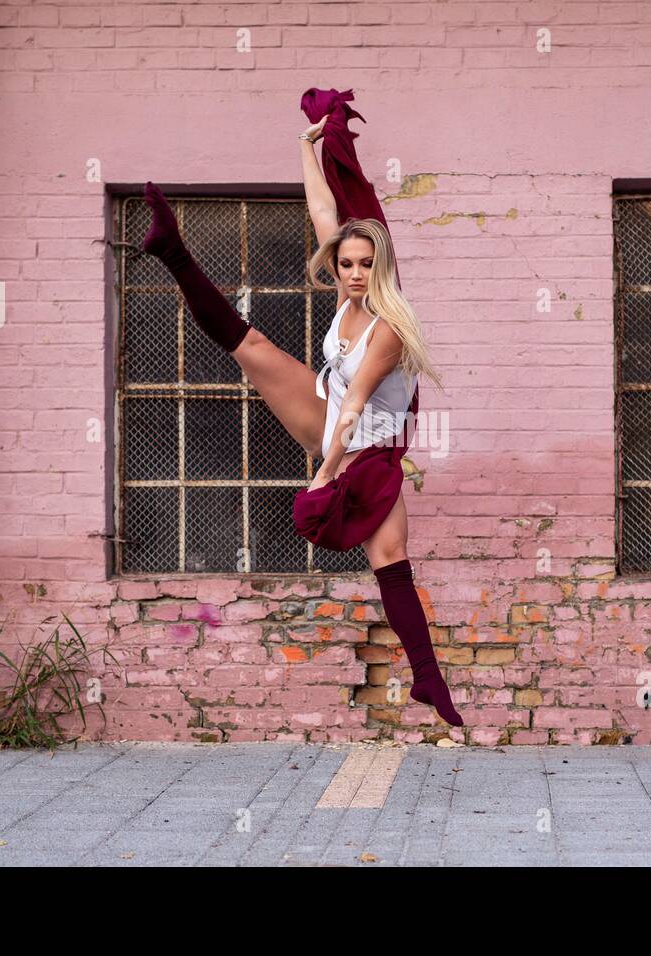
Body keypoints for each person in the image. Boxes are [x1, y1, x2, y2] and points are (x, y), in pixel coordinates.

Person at [135, 89, 462, 727]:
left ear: (383, 265)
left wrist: (324, 473)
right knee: (251, 345)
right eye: (347, 263)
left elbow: (358, 405)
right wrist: (307, 149)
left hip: (367, 446)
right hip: (329, 412)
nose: (356, 273)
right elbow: (322, 209)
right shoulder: (345, 291)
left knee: (389, 559)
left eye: (367, 263)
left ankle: (428, 680)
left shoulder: (390, 326)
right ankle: (172, 249)